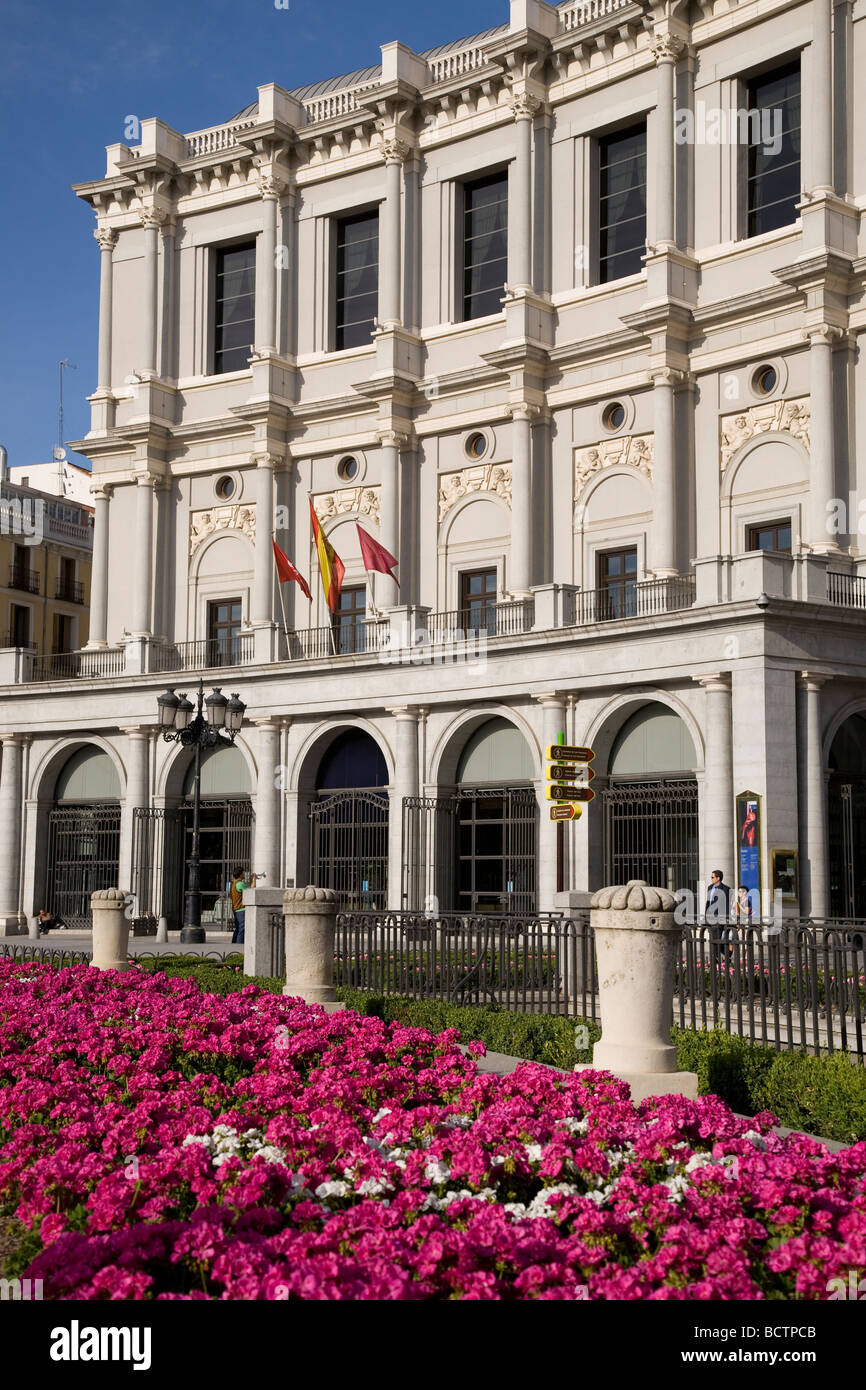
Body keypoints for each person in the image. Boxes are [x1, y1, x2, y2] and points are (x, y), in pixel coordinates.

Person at [704, 870, 732, 963]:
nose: (711, 879)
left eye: (712, 877)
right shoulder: (710, 888)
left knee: (718, 938)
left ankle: (717, 958)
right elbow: (708, 904)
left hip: (720, 917)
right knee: (712, 938)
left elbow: (727, 904)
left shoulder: (726, 889)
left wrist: (726, 918)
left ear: (718, 878)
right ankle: (715, 957)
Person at [229, 867, 256, 945]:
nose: (244, 874)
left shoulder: (234, 883)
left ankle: (234, 944)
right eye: (243, 873)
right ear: (240, 874)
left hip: (236, 909)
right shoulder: (240, 884)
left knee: (238, 928)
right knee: (242, 929)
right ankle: (238, 945)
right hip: (241, 909)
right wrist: (254, 880)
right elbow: (252, 891)